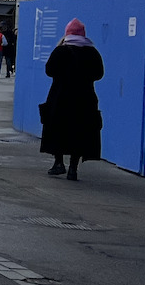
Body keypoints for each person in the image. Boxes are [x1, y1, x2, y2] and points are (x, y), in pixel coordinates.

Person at [41, 18, 103, 181]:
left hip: (60, 96)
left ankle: (58, 162)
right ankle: (73, 168)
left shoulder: (60, 51)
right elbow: (99, 74)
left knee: (57, 128)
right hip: (85, 98)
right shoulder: (92, 52)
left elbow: (49, 70)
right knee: (79, 131)